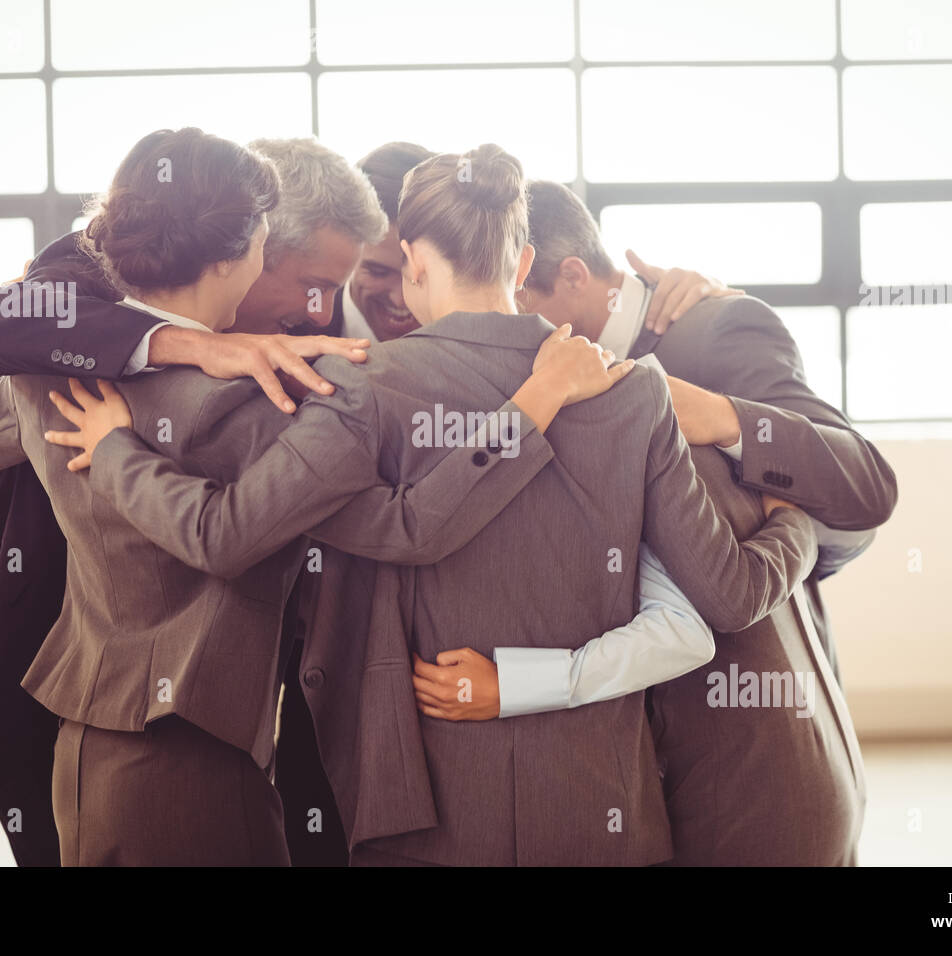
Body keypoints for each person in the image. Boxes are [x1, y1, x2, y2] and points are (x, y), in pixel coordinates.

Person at [43, 144, 820, 866]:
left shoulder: (360, 384)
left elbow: (253, 530)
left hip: (427, 811)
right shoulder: (633, 390)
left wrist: (115, 448)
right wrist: (801, 531)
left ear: (411, 262)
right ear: (521, 261)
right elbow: (725, 597)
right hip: (602, 811)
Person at [0, 128, 605, 865]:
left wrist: (60, 311)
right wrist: (533, 405)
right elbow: (406, 527)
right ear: (247, 252)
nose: (324, 309)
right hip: (191, 757)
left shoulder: (50, 374)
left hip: (84, 743)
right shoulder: (260, 405)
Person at [473, 180, 897, 863]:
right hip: (631, 781)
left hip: (756, 771)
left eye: (519, 299)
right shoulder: (543, 375)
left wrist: (717, 416)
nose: (505, 327)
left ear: (572, 275)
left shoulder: (717, 328)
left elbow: (863, 494)